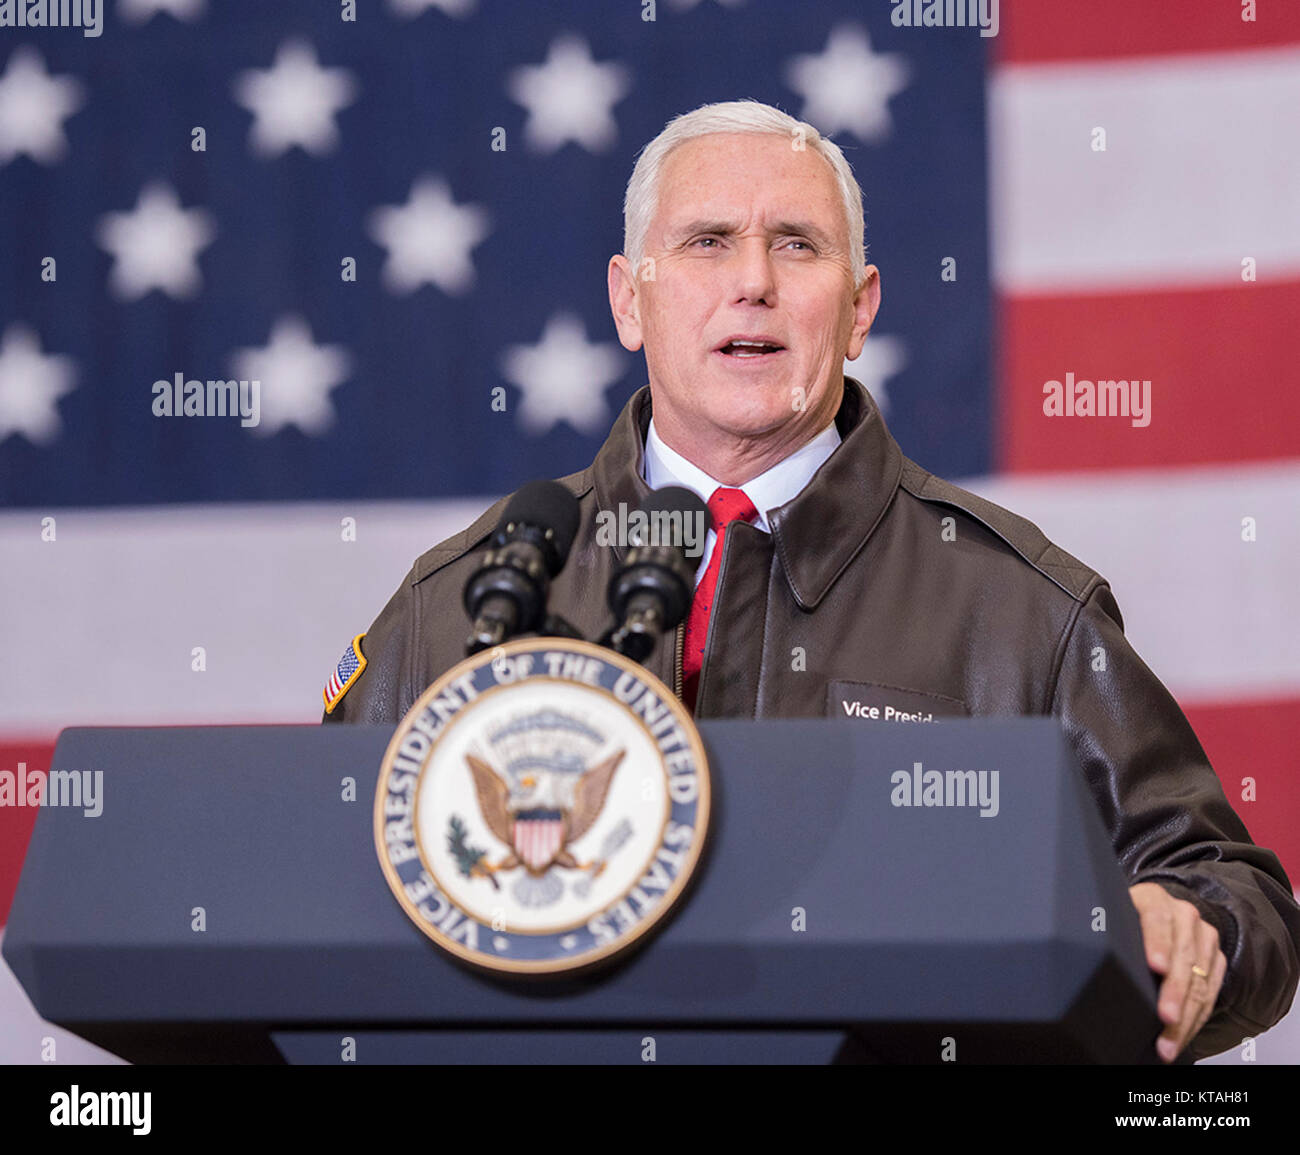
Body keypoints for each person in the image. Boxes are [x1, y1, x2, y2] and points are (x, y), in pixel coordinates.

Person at [323, 100, 1300, 1062]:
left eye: (795, 245)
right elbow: (307, 888)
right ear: (629, 299)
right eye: (707, 241)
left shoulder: (1020, 610)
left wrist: (1186, 926)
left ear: (860, 308)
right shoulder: (459, 603)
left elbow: (1235, 895)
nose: (752, 281)